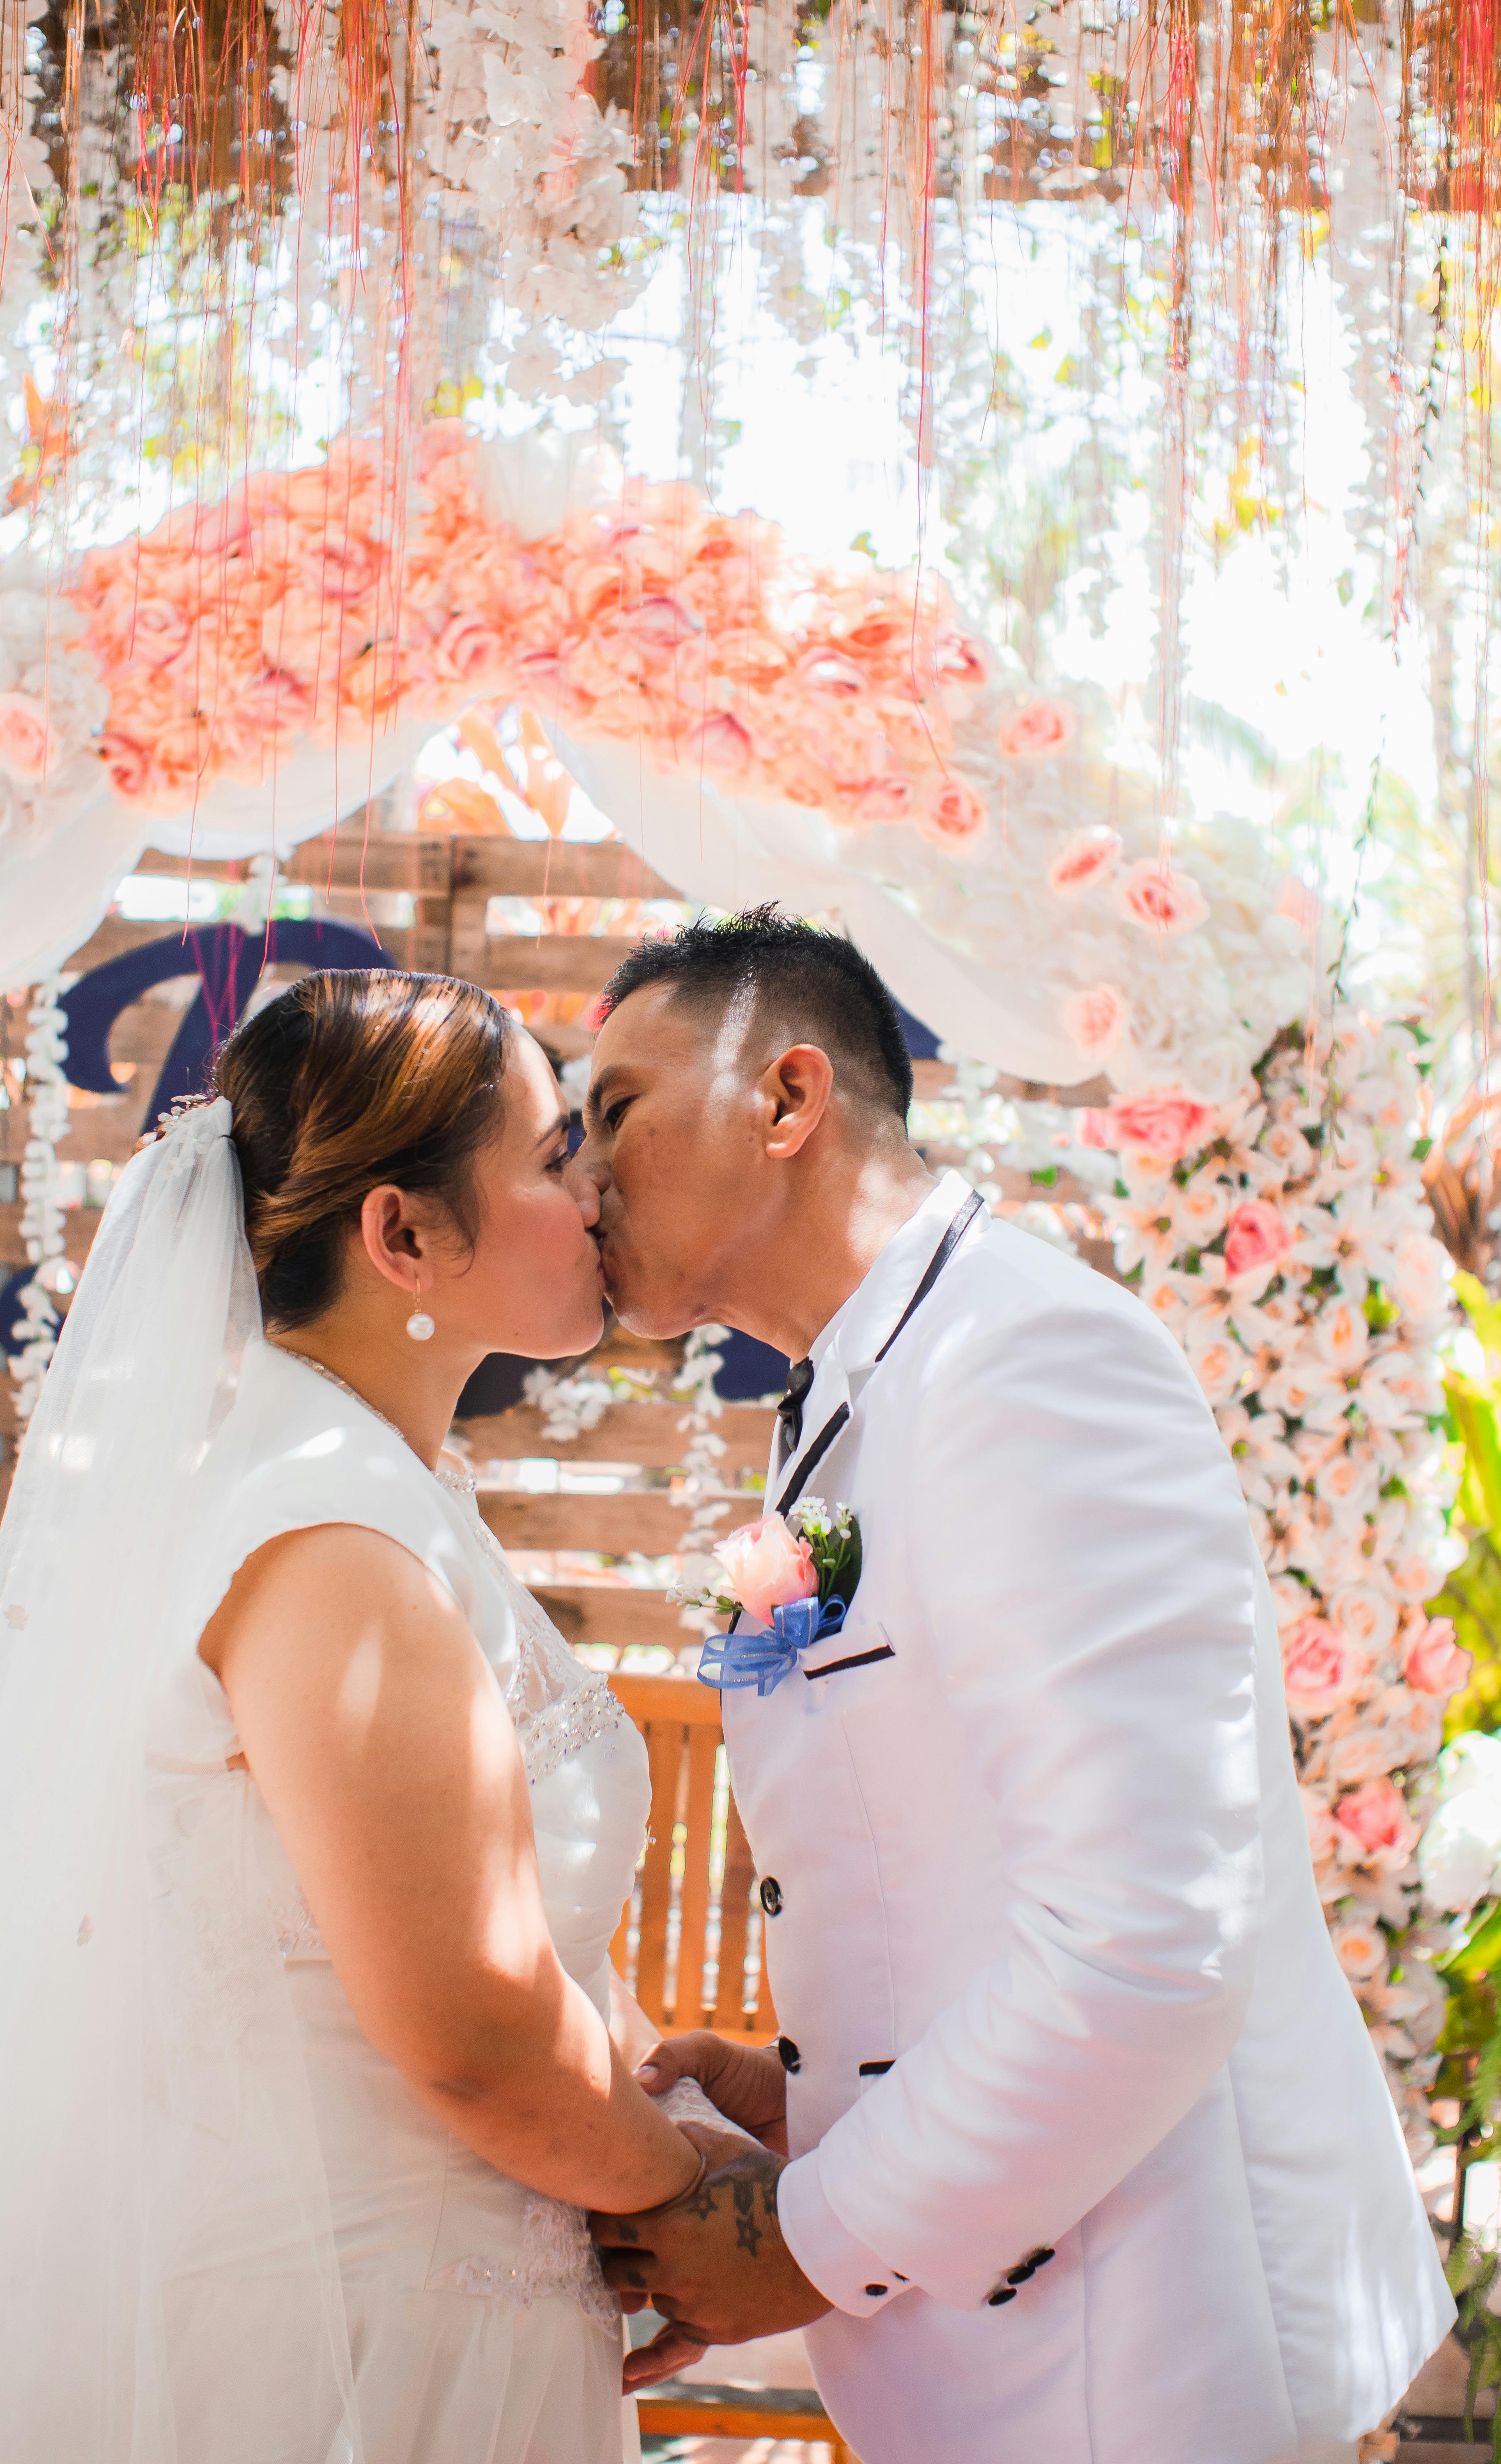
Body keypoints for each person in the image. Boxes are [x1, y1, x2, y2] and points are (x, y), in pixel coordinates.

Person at [570, 908, 1455, 2464]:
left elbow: (1146, 1943)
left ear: (787, 1098)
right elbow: (932, 1845)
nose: (584, 1178)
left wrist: (803, 2235)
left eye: (616, 1110)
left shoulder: (1028, 1360)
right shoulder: (854, 1389)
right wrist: (808, 2098)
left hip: (1136, 2348)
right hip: (982, 2334)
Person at [0, 968, 704, 2464]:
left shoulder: (367, 1481)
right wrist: (712, 2209)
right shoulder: (331, 1538)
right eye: (554, 1155)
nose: (597, 1194)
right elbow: (472, 2033)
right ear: (403, 1235)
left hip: (447, 2300)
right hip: (352, 2357)